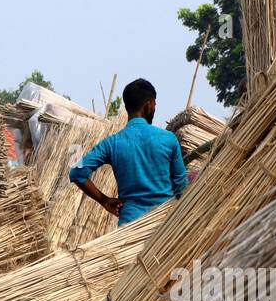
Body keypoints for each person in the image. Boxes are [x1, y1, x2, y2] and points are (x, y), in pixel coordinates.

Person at [69, 78, 188, 226]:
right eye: (154, 105)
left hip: (129, 229)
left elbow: (76, 172)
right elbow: (181, 186)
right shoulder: (168, 139)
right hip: (164, 226)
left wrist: (104, 200)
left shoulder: (112, 143)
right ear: (149, 104)